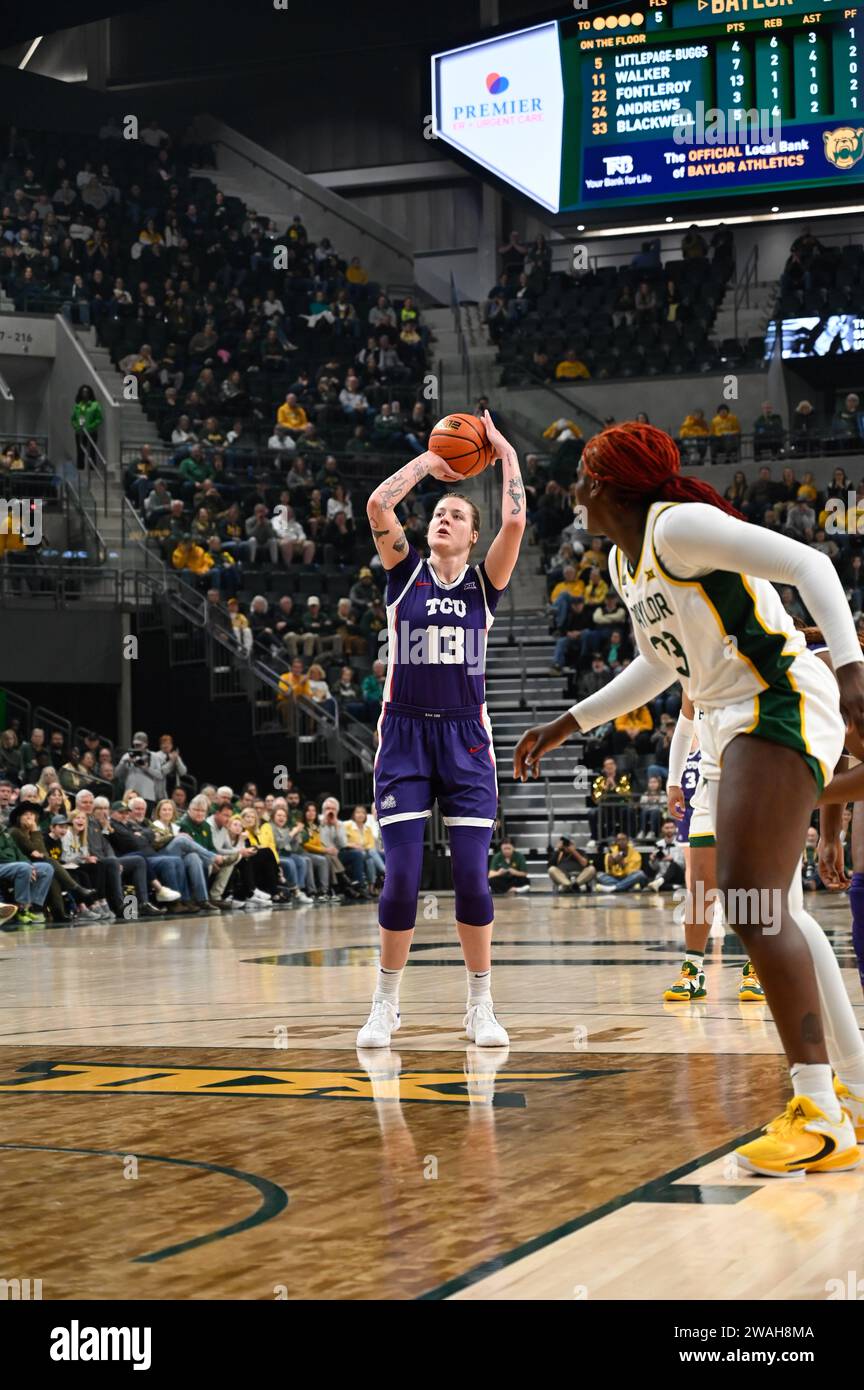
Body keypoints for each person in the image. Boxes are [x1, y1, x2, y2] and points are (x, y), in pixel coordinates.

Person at [515, 418, 864, 1176]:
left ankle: (821, 1112)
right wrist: (567, 721)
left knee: (748, 902)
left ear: (604, 484)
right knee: (782, 914)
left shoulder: (681, 528)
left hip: (780, 698)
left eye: (581, 474)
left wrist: (851, 669)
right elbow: (658, 667)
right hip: (731, 715)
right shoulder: (622, 561)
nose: (572, 489)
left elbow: (811, 565)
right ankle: (856, 1089)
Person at [356, 411, 526, 1049]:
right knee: (401, 877)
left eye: (456, 513)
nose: (444, 517)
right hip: (403, 738)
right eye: (439, 513)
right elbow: (378, 503)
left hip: (466, 741)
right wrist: (432, 464)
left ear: (472, 535)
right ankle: (385, 1004)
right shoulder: (404, 575)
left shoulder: (486, 584)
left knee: (471, 879)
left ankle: (479, 1004)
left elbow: (514, 519)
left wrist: (503, 450)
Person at [71, 384, 103, 470]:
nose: (85, 394)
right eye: (83, 392)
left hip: (91, 432)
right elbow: (73, 419)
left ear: (90, 393)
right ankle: (80, 470)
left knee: (92, 452)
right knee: (80, 452)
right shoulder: (78, 406)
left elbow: (99, 419)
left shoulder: (95, 405)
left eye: (86, 392)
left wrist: (91, 427)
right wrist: (76, 426)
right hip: (80, 432)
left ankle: (92, 470)